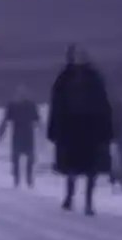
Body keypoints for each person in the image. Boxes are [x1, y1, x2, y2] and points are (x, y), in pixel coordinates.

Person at [47, 45, 113, 216]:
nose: (80, 58)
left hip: (91, 127)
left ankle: (89, 203)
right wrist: (54, 128)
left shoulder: (95, 78)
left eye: (83, 55)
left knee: (92, 167)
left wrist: (107, 128)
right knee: (72, 166)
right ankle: (69, 197)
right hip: (71, 127)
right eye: (78, 55)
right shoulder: (64, 79)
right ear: (72, 57)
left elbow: (104, 104)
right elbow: (56, 105)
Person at [0, 85, 40, 188]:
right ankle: (17, 180)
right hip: (20, 134)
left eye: (23, 93)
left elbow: (37, 119)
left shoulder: (30, 105)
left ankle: (28, 179)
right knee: (16, 158)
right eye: (20, 93)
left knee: (29, 157)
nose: (22, 95)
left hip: (27, 134)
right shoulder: (13, 105)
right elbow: (6, 120)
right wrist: (1, 131)